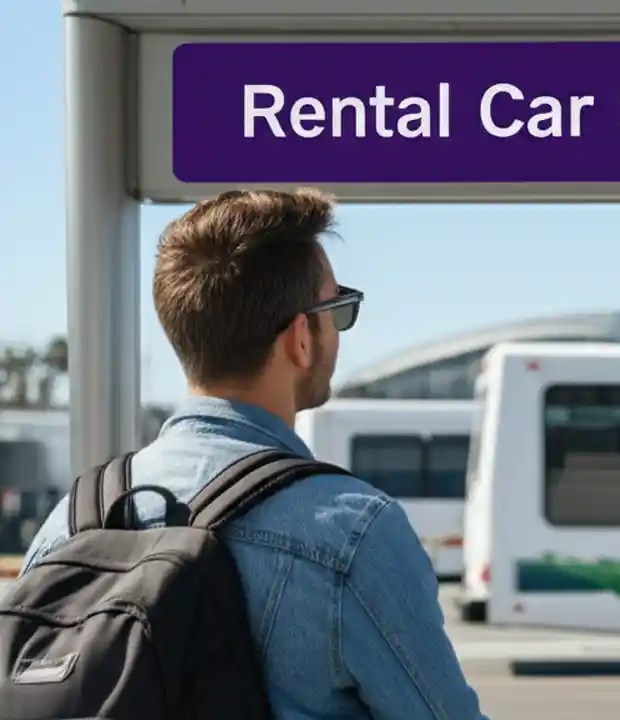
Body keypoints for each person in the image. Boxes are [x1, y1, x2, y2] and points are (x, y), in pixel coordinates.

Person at [20, 188, 489, 720]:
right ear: (301, 338)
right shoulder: (352, 532)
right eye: (337, 309)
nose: (338, 331)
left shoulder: (75, 518)